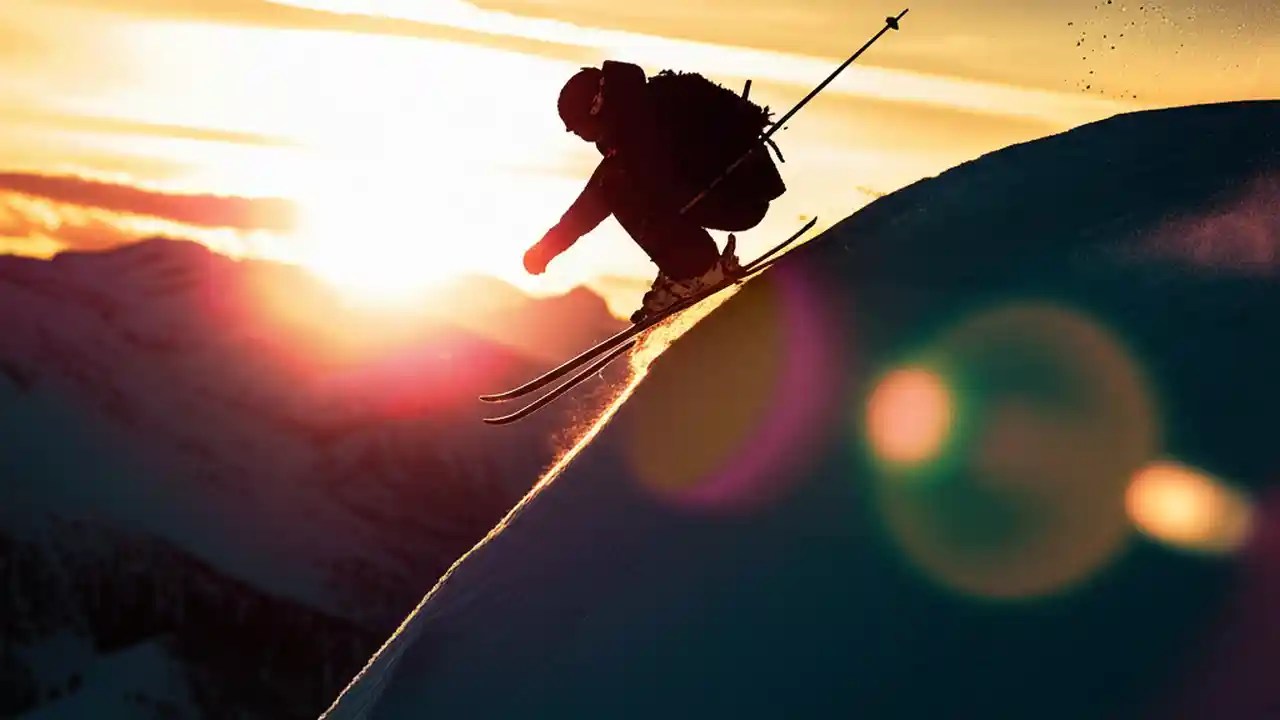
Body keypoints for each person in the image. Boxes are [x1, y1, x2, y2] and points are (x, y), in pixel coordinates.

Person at [522, 60, 786, 322]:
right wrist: (549, 246)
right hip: (742, 191)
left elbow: (598, 198)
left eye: (579, 128)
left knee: (619, 188)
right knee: (621, 184)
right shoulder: (642, 107)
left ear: (597, 108)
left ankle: (698, 271)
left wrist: (548, 247)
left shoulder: (639, 126)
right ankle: (690, 267)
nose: (580, 136)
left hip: (734, 195)